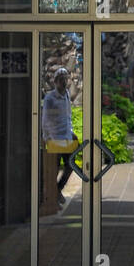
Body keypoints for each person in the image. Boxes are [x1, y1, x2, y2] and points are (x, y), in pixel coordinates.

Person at [41, 67, 75, 208]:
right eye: (61, 80)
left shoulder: (67, 94)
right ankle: (51, 198)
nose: (63, 82)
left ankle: (57, 190)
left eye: (65, 79)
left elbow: (68, 115)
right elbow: (45, 119)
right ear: (55, 81)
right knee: (54, 168)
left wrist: (71, 131)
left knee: (70, 165)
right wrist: (46, 137)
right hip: (55, 137)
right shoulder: (50, 98)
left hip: (67, 136)